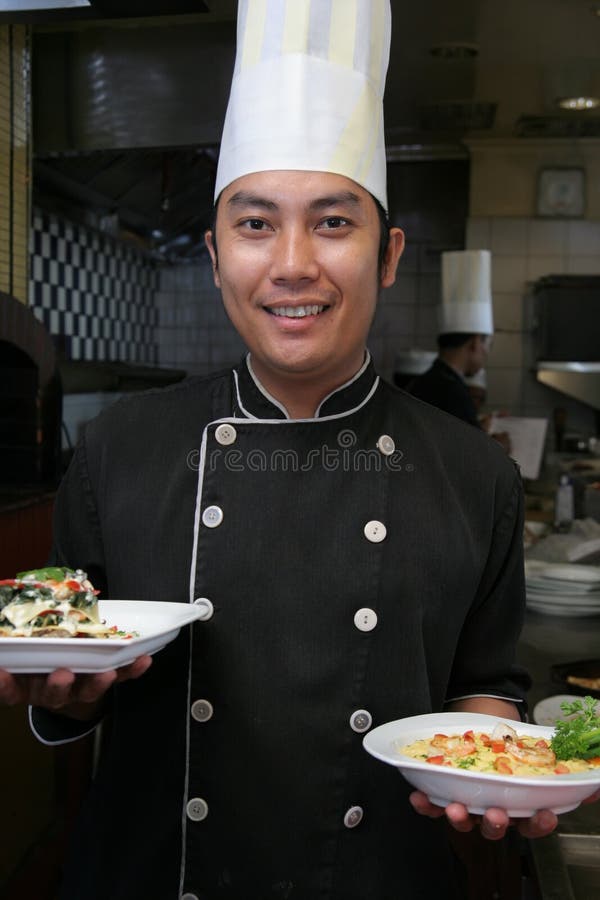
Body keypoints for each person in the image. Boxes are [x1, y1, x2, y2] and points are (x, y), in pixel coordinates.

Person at [0, 2, 586, 898]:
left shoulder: (476, 474)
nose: (293, 264)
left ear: (388, 255)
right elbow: (65, 658)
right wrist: (63, 695)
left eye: (334, 223)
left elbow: (485, 684)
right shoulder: (120, 448)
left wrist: (496, 769)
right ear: (214, 254)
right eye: (255, 224)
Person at [408, 249, 494, 428]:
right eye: (487, 344)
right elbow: (465, 446)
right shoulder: (453, 392)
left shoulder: (428, 381)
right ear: (475, 343)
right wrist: (496, 443)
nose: (487, 353)